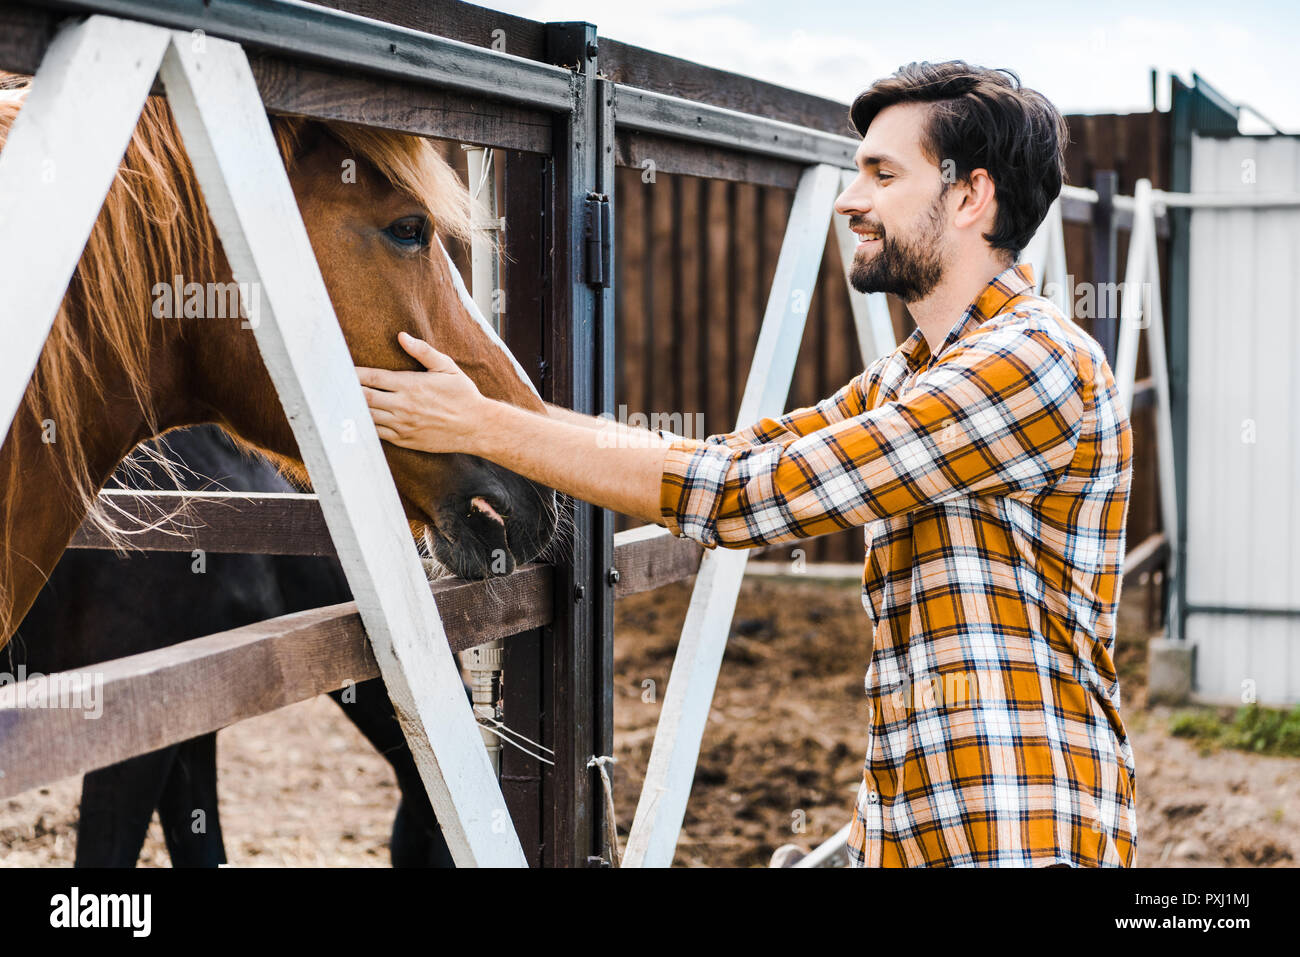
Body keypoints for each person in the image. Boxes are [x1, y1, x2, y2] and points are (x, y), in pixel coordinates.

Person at [356, 60, 1137, 868]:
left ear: (970, 196)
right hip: (930, 829)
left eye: (882, 174)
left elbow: (744, 496)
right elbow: (736, 456)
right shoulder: (913, 376)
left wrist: (486, 426)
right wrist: (501, 418)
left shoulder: (1031, 363)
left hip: (1024, 836)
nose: (849, 199)